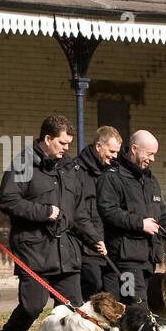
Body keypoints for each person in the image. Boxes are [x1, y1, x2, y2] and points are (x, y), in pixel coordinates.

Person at [0, 115, 99, 331]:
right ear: (47, 139)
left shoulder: (70, 168)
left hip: (66, 252)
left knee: (71, 310)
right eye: (61, 143)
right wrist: (44, 211)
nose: (65, 148)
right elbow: (8, 200)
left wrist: (94, 238)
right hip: (34, 250)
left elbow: (78, 211)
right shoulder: (24, 163)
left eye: (68, 144)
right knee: (32, 306)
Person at [97, 130, 166, 303]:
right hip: (125, 261)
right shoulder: (111, 177)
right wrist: (140, 224)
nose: (152, 159)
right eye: (150, 154)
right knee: (134, 306)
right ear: (134, 148)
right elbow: (107, 211)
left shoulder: (150, 180)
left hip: (148, 258)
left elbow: (162, 214)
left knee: (133, 307)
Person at [70, 126, 120, 297]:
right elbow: (78, 212)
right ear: (99, 146)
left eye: (117, 152)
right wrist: (95, 238)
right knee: (93, 284)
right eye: (112, 151)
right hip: (86, 245)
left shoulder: (112, 171)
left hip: (110, 244)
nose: (115, 156)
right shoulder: (77, 172)